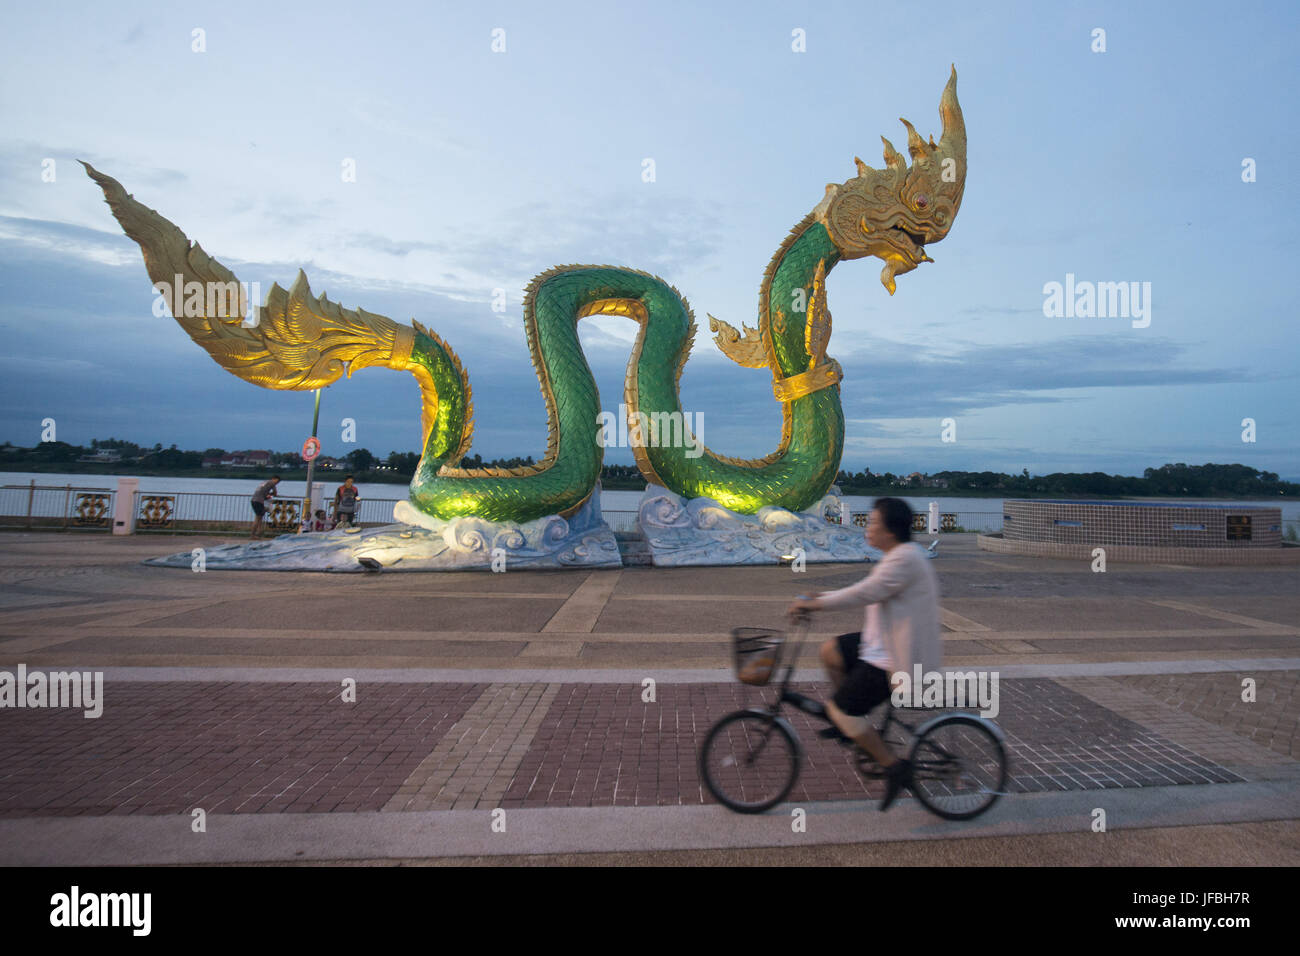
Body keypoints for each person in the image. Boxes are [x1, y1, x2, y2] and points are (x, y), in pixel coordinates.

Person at [786, 497, 942, 811]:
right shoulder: (897, 555)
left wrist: (815, 603)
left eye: (873, 523)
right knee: (830, 651)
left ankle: (893, 767)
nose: (868, 527)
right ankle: (853, 726)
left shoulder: (905, 560)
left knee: (842, 711)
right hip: (878, 643)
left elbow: (864, 593)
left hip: (895, 660)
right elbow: (867, 586)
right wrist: (821, 596)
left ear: (890, 530)